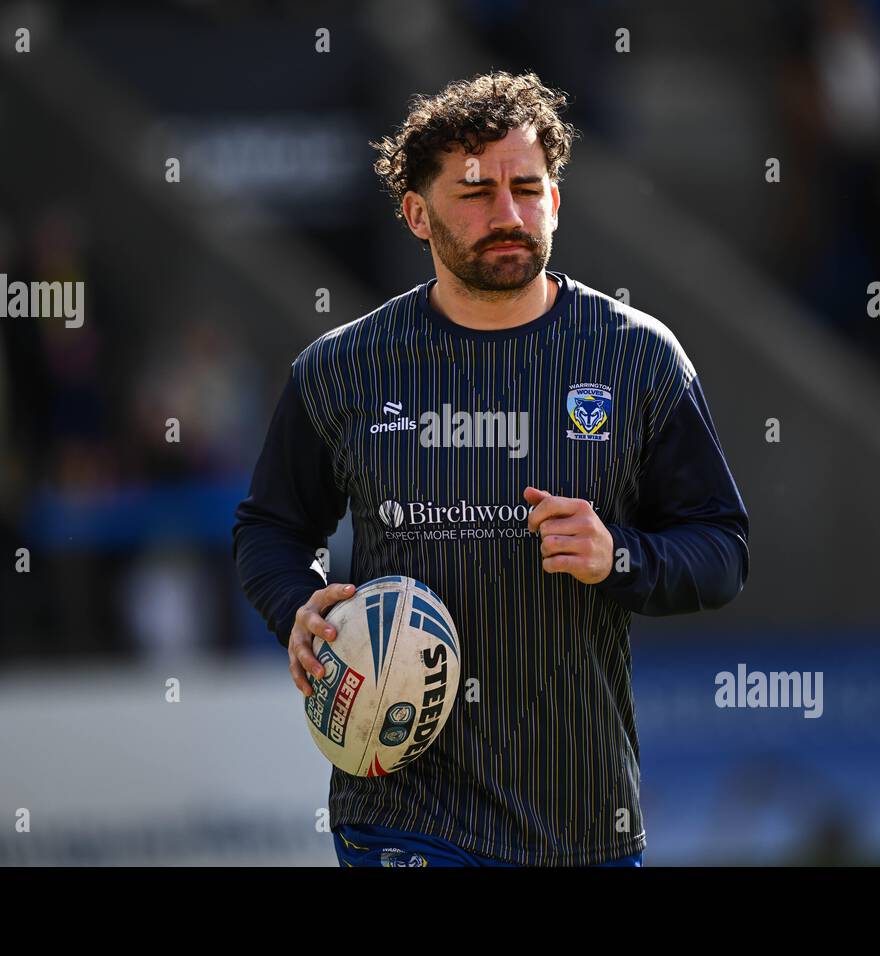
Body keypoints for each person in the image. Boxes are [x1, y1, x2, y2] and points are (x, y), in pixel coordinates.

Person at [234, 71, 749, 866]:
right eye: (475, 192)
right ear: (417, 212)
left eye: (527, 187)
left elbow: (722, 552)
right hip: (402, 807)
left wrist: (624, 557)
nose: (506, 214)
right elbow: (271, 527)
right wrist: (299, 606)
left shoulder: (639, 358)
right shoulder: (341, 370)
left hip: (585, 816)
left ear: (556, 200)